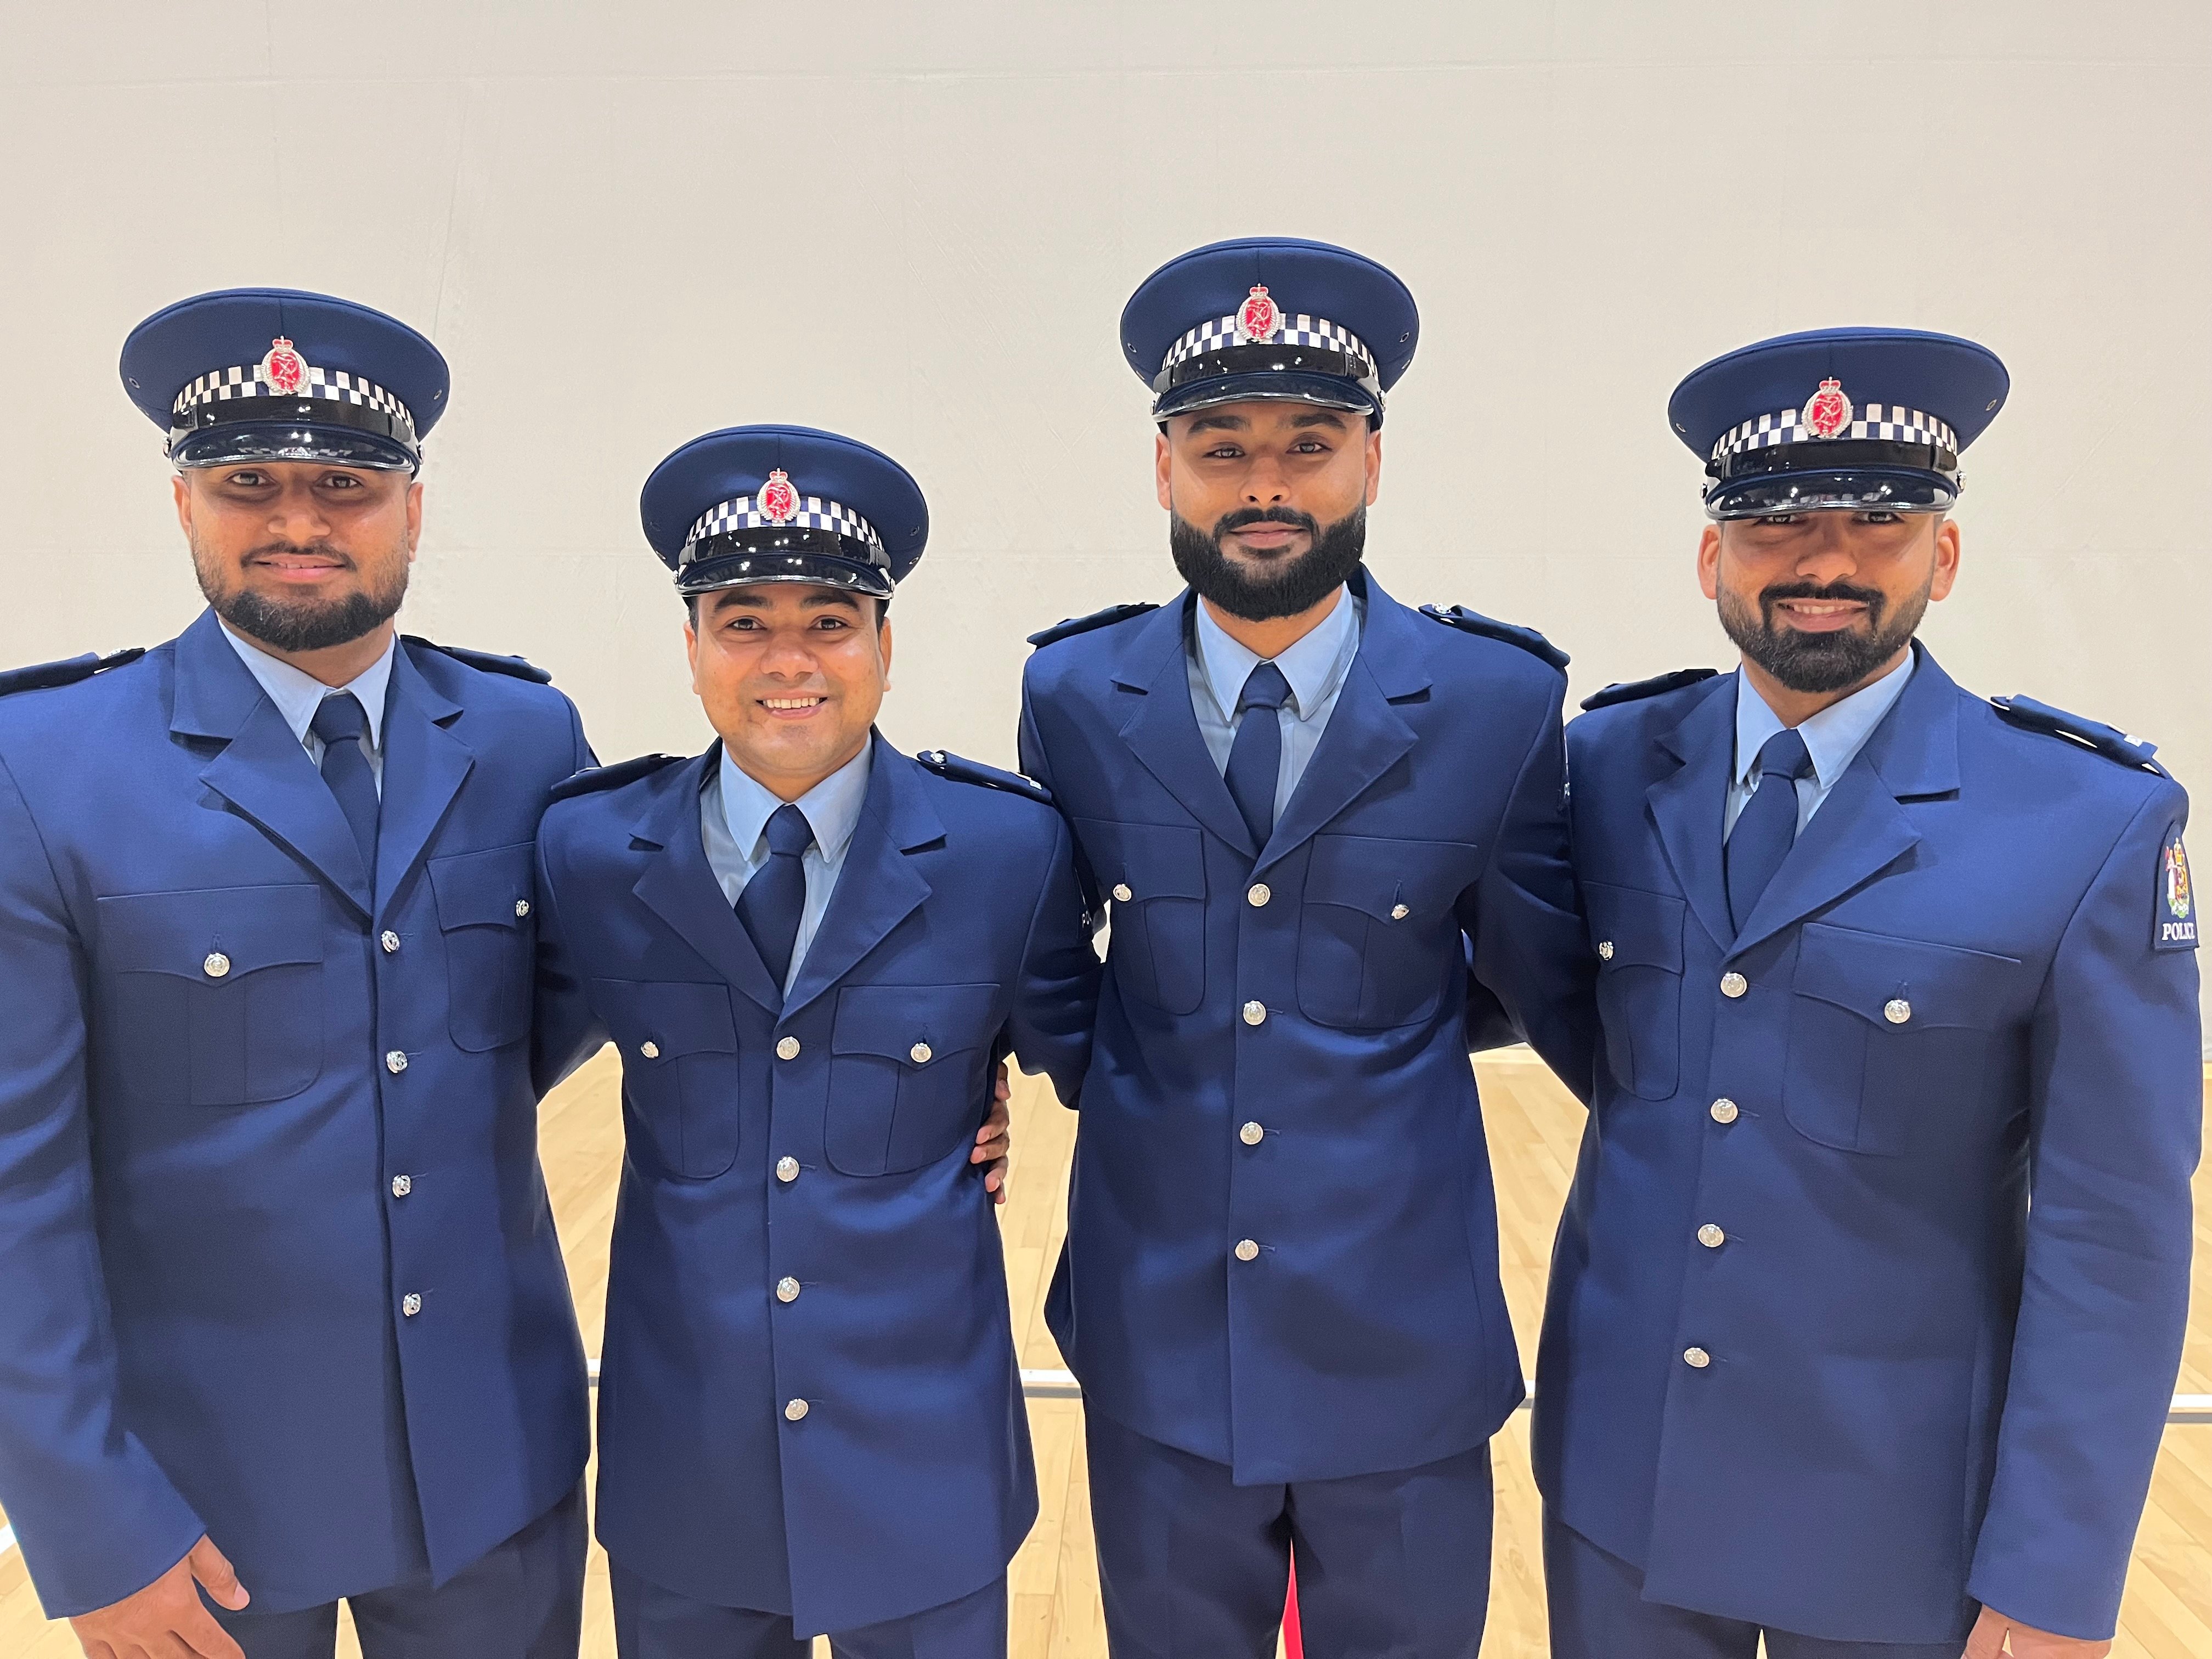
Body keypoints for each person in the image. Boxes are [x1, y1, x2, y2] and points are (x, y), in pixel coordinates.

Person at [1537, 327, 2201, 1658]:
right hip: (1625, 1491)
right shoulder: (1611, 766)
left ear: (1943, 556)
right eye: (1775, 523)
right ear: (1711, 555)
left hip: (1900, 1525)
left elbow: (2115, 1237)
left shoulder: (2085, 822)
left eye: (1879, 522)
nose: (1825, 561)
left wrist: (2054, 1578)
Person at [1018, 236, 1595, 1656]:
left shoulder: (1492, 699)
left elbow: (1535, 973)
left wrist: (1370, 1059)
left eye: (1309, 443)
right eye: (1222, 447)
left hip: (1401, 1336)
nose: (1265, 484)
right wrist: (1160, 1091)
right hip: (1156, 1327)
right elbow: (1046, 960)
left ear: (1372, 463)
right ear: (1165, 470)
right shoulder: (1076, 691)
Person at [0, 289, 597, 1658]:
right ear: (183, 503)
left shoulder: (524, 737)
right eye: (247, 483)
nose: (299, 521)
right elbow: (14, 1193)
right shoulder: (43, 770)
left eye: (345, 483)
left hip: (490, 1473)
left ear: (413, 507)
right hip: (200, 1503)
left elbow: (561, 1015)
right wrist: (89, 1520)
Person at [532, 425, 1097, 1658]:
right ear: (691, 648)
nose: (789, 658)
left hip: (926, 1463)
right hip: (690, 1467)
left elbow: (1104, 1064)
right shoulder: (586, 851)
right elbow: (489, 1057)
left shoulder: (1008, 852)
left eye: (831, 620)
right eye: (743, 621)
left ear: (885, 646)